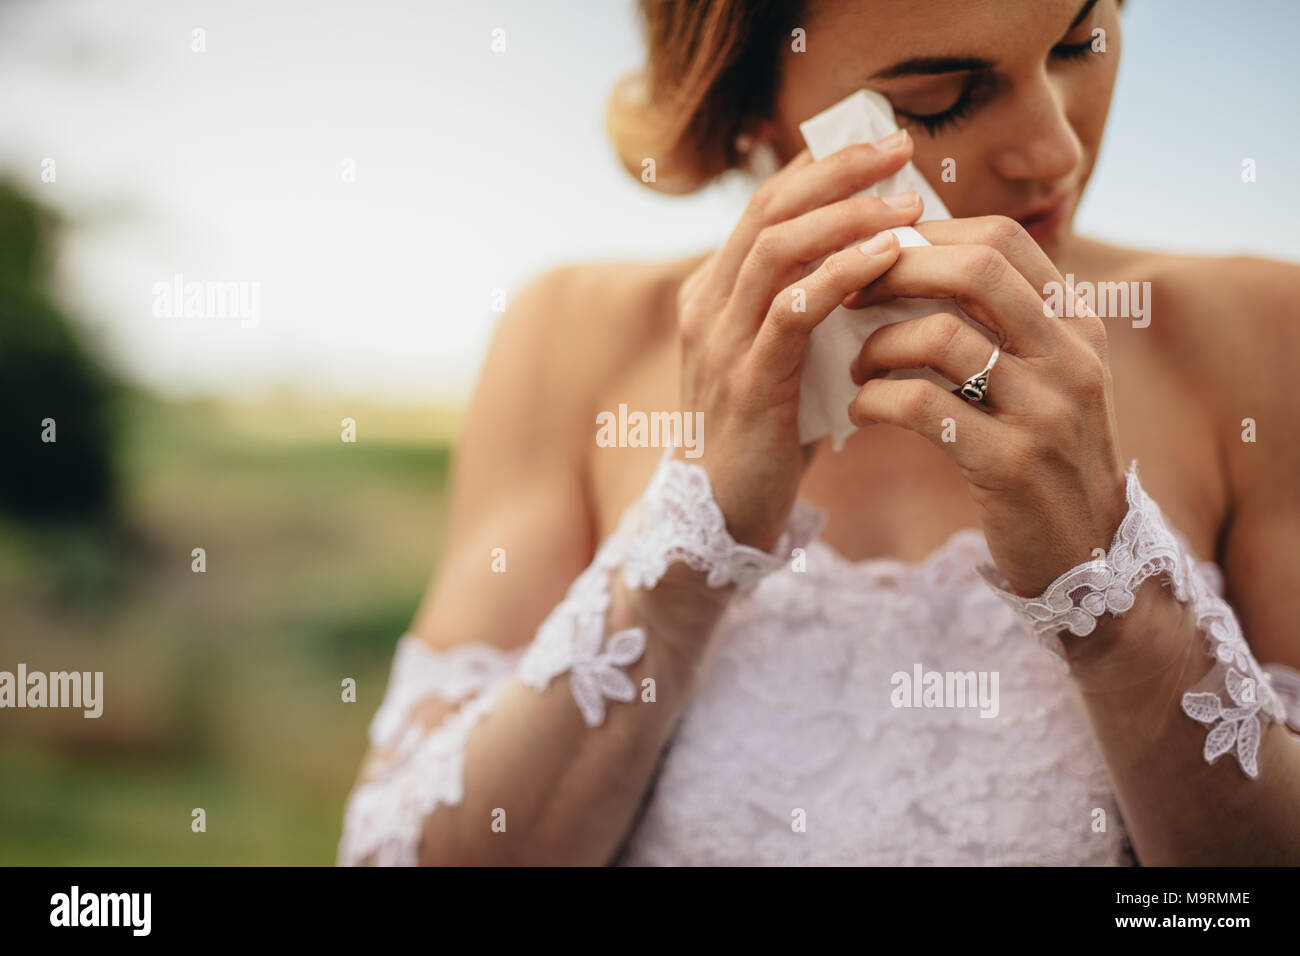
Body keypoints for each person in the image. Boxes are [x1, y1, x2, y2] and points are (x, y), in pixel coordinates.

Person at [338, 0, 1300, 865]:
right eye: (942, 98)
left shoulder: (1258, 333)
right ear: (752, 109)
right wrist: (692, 543)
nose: (1055, 151)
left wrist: (1105, 580)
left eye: (1080, 39)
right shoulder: (570, 337)